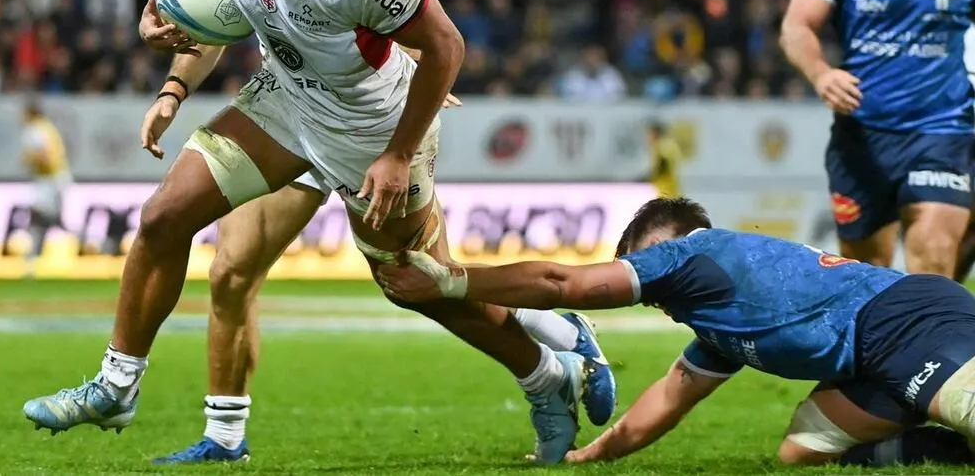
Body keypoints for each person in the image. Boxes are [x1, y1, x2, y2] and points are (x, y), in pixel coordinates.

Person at [23, 0, 593, 465]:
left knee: (417, 284)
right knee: (164, 216)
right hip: (288, 103)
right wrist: (173, 69)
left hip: (367, 126)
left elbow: (446, 44)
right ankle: (117, 384)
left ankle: (549, 370)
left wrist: (399, 152)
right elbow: (224, 10)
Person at [379, 196, 975, 468]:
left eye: (641, 269)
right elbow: (668, 398)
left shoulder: (688, 255)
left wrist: (451, 282)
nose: (652, 300)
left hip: (909, 326)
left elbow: (565, 284)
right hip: (869, 360)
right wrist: (597, 455)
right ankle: (949, 445)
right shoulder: (719, 323)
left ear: (662, 249)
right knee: (802, 452)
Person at [780, 0, 975, 277]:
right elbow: (796, 26)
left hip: (942, 132)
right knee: (867, 278)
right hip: (862, 139)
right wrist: (821, 74)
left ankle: (935, 345)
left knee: (932, 257)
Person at [19, 99, 71, 278]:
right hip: (57, 179)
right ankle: (32, 261)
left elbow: (44, 155)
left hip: (48, 182)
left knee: (39, 219)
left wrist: (30, 160)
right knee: (49, 220)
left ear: (29, 114)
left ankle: (31, 263)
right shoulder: (47, 127)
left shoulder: (35, 130)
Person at [640, 120, 682, 198]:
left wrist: (648, 177)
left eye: (650, 134)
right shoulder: (662, 145)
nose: (648, 137)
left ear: (655, 133)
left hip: (667, 191)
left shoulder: (662, 145)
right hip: (664, 189)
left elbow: (663, 163)